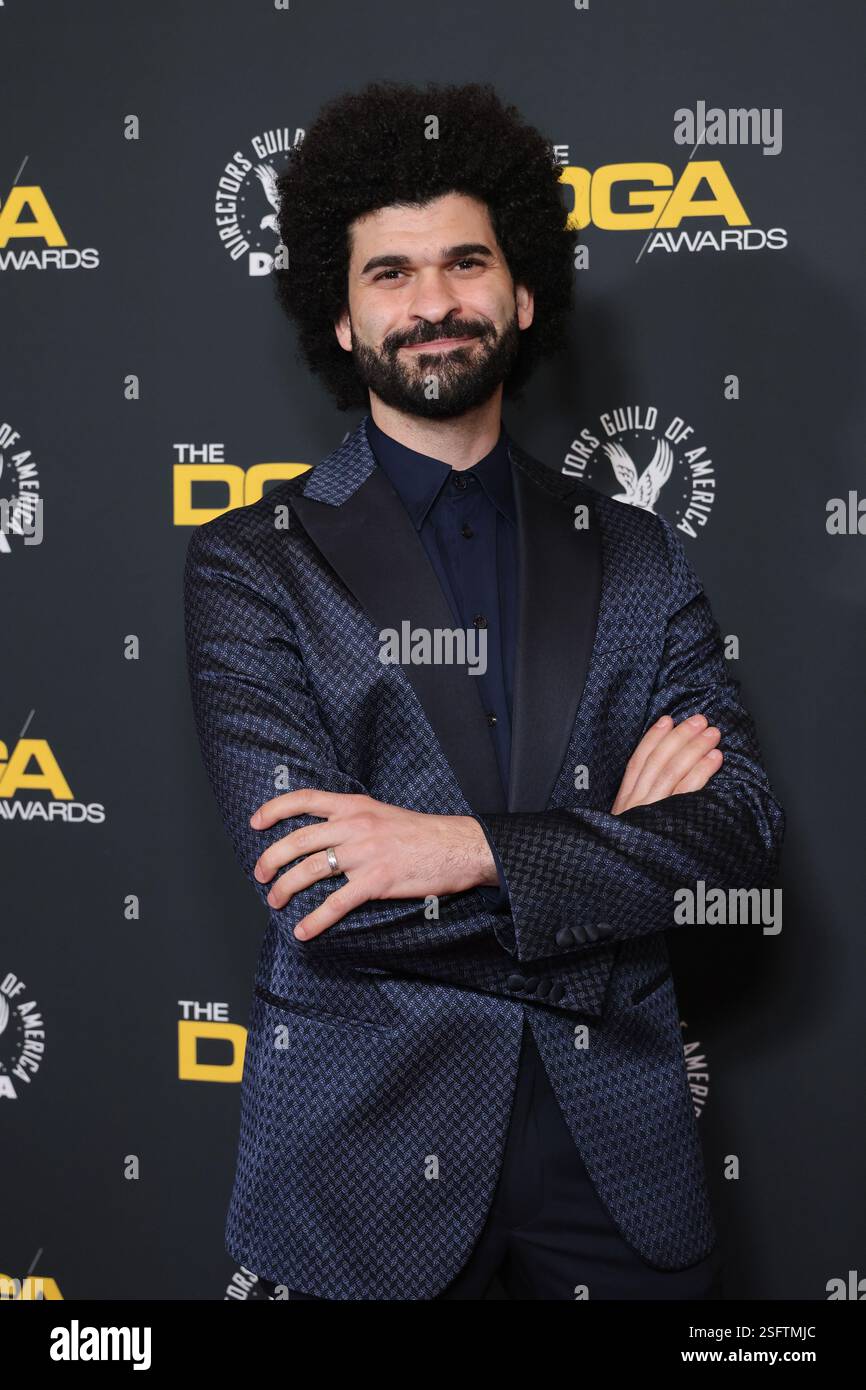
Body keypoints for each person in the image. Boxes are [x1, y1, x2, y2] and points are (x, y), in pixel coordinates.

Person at [183, 80, 785, 1300]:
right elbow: (327, 892)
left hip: (614, 1165)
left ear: (519, 293)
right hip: (354, 1168)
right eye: (389, 274)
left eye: (464, 262)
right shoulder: (251, 565)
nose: (433, 303)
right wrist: (611, 858)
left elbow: (731, 840)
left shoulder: (638, 553)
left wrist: (456, 849)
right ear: (341, 321)